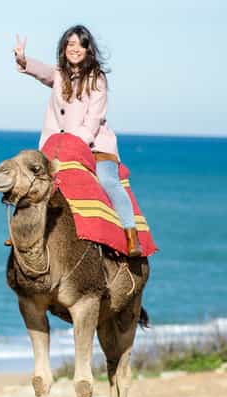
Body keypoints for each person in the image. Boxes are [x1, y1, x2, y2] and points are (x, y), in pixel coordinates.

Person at [13, 25, 142, 257]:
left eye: (79, 45)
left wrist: (72, 145)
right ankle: (24, 232)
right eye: (70, 44)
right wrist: (23, 60)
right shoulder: (60, 74)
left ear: (87, 49)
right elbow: (42, 71)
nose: (75, 49)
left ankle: (130, 234)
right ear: (64, 48)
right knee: (33, 180)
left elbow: (93, 121)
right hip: (58, 146)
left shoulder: (97, 79)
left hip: (95, 148)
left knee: (107, 181)